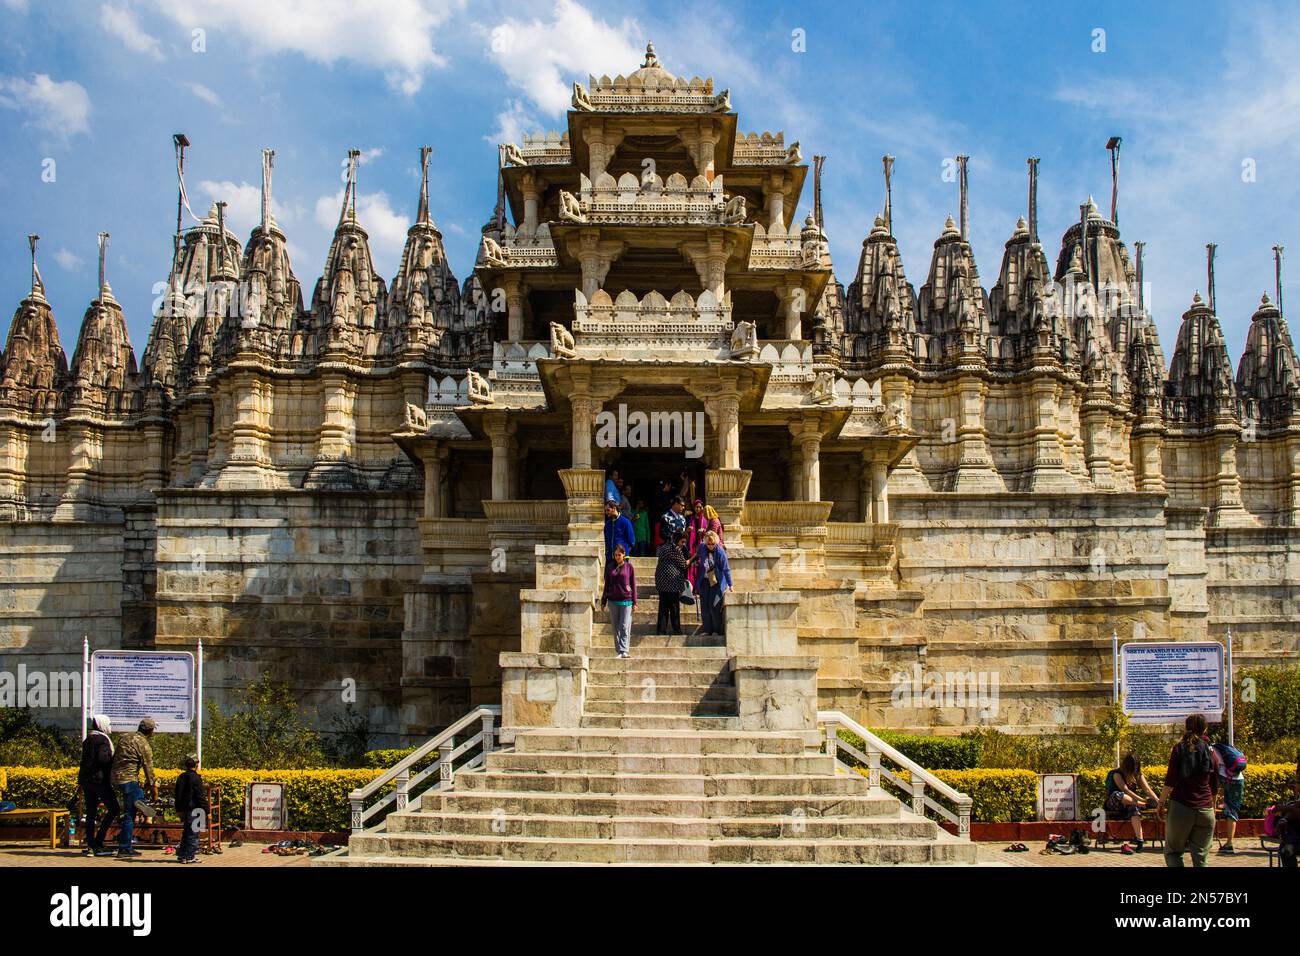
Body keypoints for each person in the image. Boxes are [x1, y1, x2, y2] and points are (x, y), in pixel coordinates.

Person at [1157, 714, 1220, 868]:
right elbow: (1215, 784)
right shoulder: (1211, 752)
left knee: (1173, 852)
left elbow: (1170, 780)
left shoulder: (1179, 749)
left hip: (1181, 807)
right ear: (1204, 729)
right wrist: (1213, 807)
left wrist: (1161, 801)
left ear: (1186, 728)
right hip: (1205, 809)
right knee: (1201, 857)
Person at [111, 717, 158, 858]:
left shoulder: (124, 737)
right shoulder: (144, 745)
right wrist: (154, 789)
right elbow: (149, 770)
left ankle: (142, 803)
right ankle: (124, 848)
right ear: (150, 731)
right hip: (129, 779)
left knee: (133, 800)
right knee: (129, 815)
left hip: (114, 778)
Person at [77, 715, 119, 857]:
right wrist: (113, 759)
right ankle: (99, 840)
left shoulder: (88, 739)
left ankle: (91, 845)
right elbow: (103, 759)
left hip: (86, 781)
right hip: (99, 781)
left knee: (91, 812)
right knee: (114, 808)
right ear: (102, 725)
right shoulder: (102, 740)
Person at [1103, 753, 1159, 850]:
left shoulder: (1138, 774)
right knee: (1118, 794)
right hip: (1114, 803)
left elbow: (1147, 790)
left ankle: (1140, 841)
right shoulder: (1116, 774)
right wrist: (1142, 801)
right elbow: (1125, 790)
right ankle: (1140, 804)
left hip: (1131, 802)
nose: (1134, 771)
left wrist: (1159, 802)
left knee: (1134, 809)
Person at [600, 543, 636, 658]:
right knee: (615, 627)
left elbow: (633, 585)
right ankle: (619, 650)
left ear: (624, 555)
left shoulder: (629, 567)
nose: (617, 557)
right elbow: (607, 585)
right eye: (615, 555)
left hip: (626, 600)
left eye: (619, 555)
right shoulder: (610, 567)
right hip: (613, 600)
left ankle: (624, 650)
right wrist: (603, 600)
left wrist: (635, 602)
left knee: (625, 625)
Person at [694, 529, 733, 637]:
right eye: (708, 544)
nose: (710, 546)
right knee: (704, 605)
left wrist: (731, 585)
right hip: (705, 580)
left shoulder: (720, 551)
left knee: (714, 604)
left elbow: (726, 569)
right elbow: (697, 556)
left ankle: (716, 630)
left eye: (712, 544)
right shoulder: (702, 547)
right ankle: (707, 629)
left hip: (717, 580)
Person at [1212, 740, 1247, 855]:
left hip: (1223, 775)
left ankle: (1207, 841)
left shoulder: (1210, 748)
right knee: (1232, 809)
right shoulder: (1230, 749)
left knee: (1209, 807)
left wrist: (1214, 801)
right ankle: (1229, 843)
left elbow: (1213, 767)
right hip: (1238, 778)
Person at [174, 754, 210, 864]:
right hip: (196, 809)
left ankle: (182, 855)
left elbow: (177, 794)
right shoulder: (195, 778)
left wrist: (178, 809)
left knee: (186, 833)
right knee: (193, 834)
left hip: (184, 809)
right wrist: (207, 811)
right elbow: (200, 796)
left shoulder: (181, 776)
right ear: (196, 764)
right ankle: (190, 856)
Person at [655, 530, 690, 636]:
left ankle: (661, 630)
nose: (683, 544)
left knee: (663, 606)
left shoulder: (664, 547)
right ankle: (676, 630)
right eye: (682, 542)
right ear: (677, 540)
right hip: (672, 581)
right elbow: (684, 565)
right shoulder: (675, 549)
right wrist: (693, 558)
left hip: (661, 580)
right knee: (674, 606)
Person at [603, 499, 634, 570]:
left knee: (622, 580)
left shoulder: (626, 522)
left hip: (622, 559)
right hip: (610, 558)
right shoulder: (607, 525)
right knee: (608, 580)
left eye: (608, 510)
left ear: (614, 509)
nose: (606, 512)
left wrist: (624, 554)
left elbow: (631, 541)